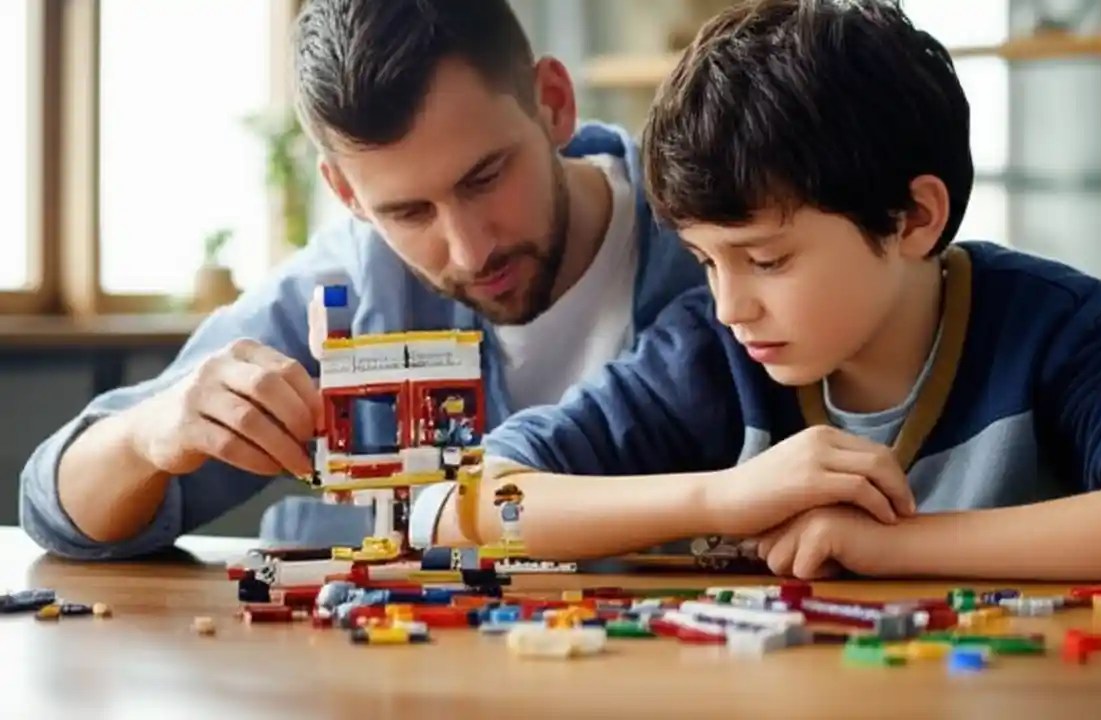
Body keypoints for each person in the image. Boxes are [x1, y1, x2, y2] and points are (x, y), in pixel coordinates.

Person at [412, 0, 1101, 581]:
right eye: (708, 261)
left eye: (768, 260)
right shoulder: (712, 354)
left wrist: (892, 546)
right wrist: (722, 496)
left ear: (912, 218)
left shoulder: (1045, 327)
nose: (729, 304)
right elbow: (453, 502)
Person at [17, 0, 702, 560]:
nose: (468, 251)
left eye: (486, 178)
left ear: (552, 103)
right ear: (346, 193)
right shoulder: (345, 285)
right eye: (407, 211)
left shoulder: (725, 249)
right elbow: (56, 510)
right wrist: (146, 435)